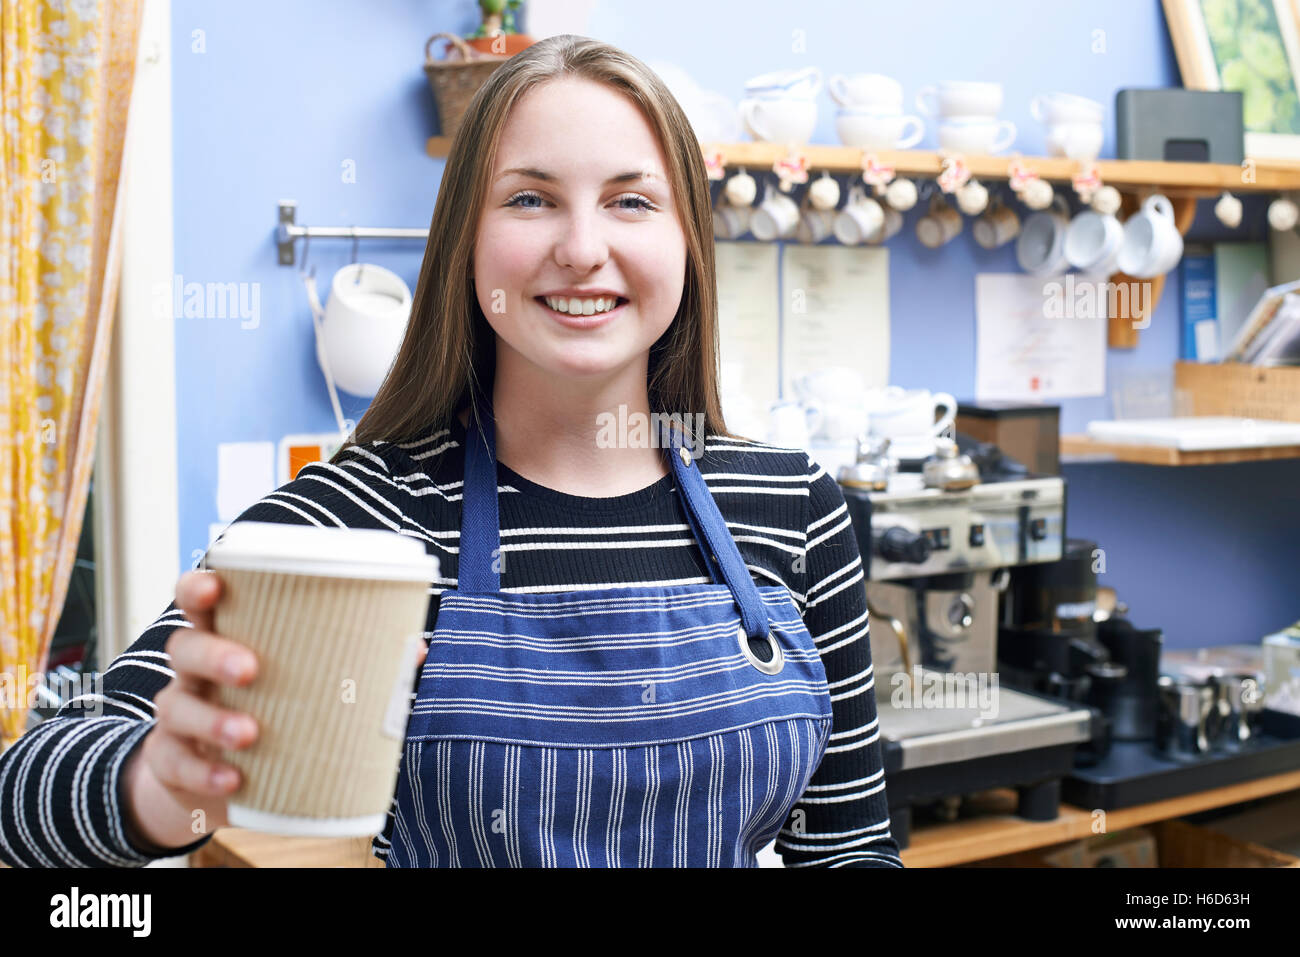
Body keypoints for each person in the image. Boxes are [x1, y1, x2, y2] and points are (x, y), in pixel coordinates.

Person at [0, 35, 902, 868]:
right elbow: (24, 785)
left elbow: (853, 851)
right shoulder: (364, 519)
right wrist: (155, 788)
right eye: (529, 198)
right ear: (466, 244)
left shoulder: (793, 508)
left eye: (631, 201)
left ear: (688, 244)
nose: (582, 249)